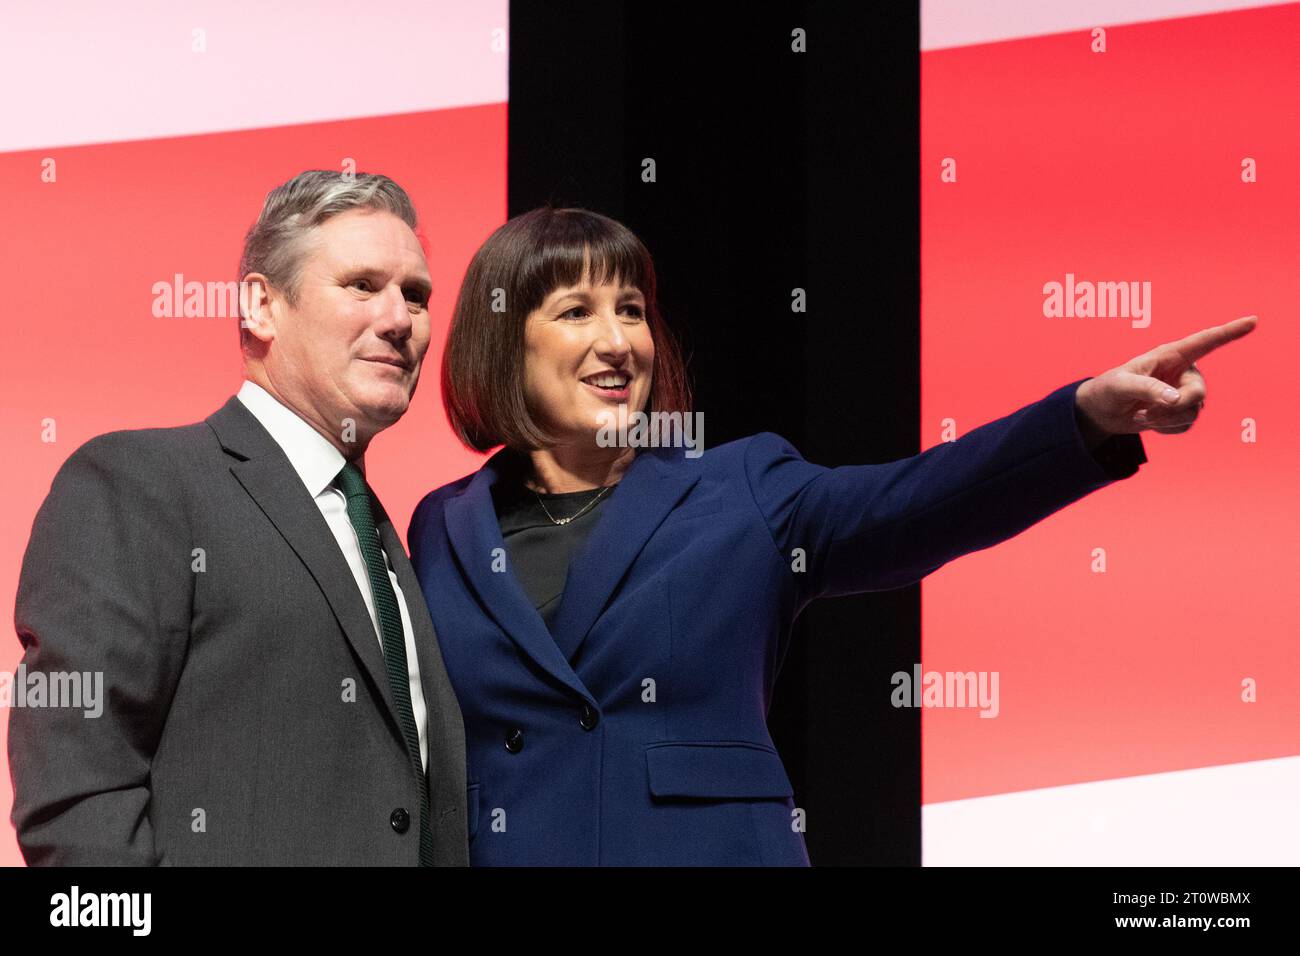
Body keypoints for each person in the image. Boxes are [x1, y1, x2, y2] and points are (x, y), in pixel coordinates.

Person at [408, 205, 1255, 866]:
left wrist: (1080, 419)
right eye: (576, 311)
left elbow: (919, 502)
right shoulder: (443, 524)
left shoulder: (737, 488)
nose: (618, 341)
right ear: (502, 342)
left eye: (631, 309)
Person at [9, 170, 469, 866]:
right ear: (260, 305)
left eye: (417, 295)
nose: (399, 319)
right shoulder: (141, 484)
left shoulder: (384, 536)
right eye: (362, 285)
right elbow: (77, 792)